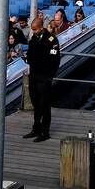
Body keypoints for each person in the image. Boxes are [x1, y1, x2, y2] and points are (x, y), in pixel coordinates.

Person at [23, 14, 60, 142]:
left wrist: (50, 76)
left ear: (41, 27)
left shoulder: (51, 40)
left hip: (45, 76)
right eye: (32, 29)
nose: (33, 32)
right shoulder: (33, 40)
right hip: (34, 75)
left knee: (44, 104)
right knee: (35, 104)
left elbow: (55, 59)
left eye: (35, 29)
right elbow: (31, 56)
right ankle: (36, 128)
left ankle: (45, 131)